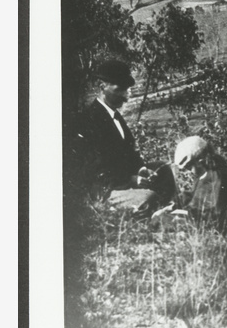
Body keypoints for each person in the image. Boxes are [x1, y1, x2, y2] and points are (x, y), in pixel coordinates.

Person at [71, 58, 177, 213]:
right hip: (105, 190)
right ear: (103, 87)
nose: (125, 96)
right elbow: (97, 170)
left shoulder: (116, 117)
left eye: (126, 90)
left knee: (165, 170)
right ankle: (153, 209)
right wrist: (131, 180)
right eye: (119, 89)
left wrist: (141, 169)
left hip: (125, 180)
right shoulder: (89, 121)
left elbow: (130, 154)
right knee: (149, 198)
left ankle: (163, 209)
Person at [152, 136, 227, 240]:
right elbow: (189, 196)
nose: (187, 172)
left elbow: (203, 212)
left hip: (222, 234)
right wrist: (171, 207)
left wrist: (175, 217)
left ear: (200, 162)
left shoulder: (216, 177)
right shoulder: (205, 173)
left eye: (189, 168)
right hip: (211, 227)